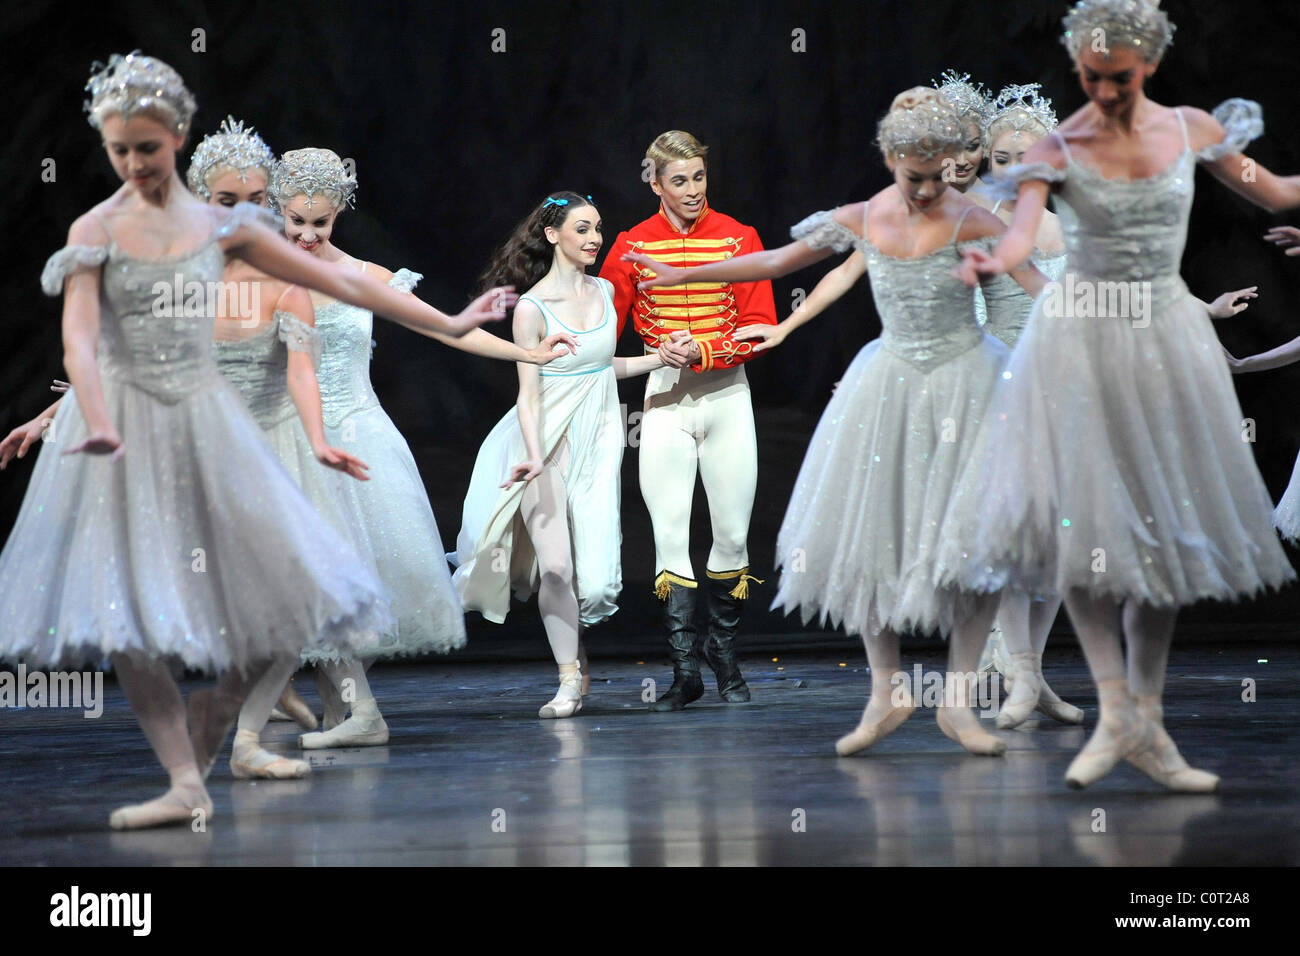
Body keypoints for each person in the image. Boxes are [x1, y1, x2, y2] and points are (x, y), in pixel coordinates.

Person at [0, 52, 511, 828]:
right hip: (156, 438)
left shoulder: (237, 240)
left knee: (294, 594)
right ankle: (192, 769)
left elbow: (349, 284)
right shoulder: (110, 232)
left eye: (151, 146)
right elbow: (100, 342)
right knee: (142, 619)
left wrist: (449, 321)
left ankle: (237, 734)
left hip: (236, 439)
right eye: (122, 149)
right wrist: (57, 417)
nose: (137, 162)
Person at [942, 0, 1300, 790]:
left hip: (1162, 332)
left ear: (1149, 65)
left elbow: (1275, 193)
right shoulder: (1059, 146)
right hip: (1080, 337)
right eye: (1092, 76)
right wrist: (989, 262)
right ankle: (1112, 709)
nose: (1104, 90)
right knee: (1084, 525)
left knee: (1163, 526)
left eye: (1121, 76)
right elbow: (1017, 230)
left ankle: (1145, 716)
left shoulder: (1190, 131)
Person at [627, 89, 1046, 756]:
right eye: (914, 179)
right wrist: (680, 275)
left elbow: (1040, 287)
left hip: (969, 385)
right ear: (889, 160)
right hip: (891, 385)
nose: (927, 192)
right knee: (869, 538)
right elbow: (774, 264)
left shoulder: (972, 217)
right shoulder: (865, 216)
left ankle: (959, 702)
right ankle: (887, 692)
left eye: (938, 177)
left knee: (976, 545)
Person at [267, 149, 576, 748]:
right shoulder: (266, 279)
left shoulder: (365, 277)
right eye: (295, 222)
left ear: (338, 217)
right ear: (279, 211)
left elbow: (445, 327)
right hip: (297, 442)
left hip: (361, 439)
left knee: (355, 584)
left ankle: (353, 712)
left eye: (320, 224)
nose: (306, 235)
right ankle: (348, 711)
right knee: (320, 582)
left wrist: (527, 353)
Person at [453, 192, 668, 718]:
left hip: (597, 439)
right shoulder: (532, 308)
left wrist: (658, 358)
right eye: (582, 229)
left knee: (594, 582)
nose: (595, 238)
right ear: (554, 235)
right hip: (539, 443)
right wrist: (533, 454)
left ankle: (579, 653)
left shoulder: (605, 293)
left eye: (598, 228)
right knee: (554, 567)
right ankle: (569, 678)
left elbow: (600, 368)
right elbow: (528, 392)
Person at [598, 130, 778, 711]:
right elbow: (602, 327)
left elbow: (759, 326)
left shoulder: (739, 237)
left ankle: (723, 655)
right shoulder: (630, 245)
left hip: (726, 394)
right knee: (669, 532)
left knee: (730, 533)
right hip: (663, 399)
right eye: (680, 180)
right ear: (655, 182)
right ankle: (684, 671)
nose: (694, 190)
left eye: (700, 177)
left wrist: (703, 351)